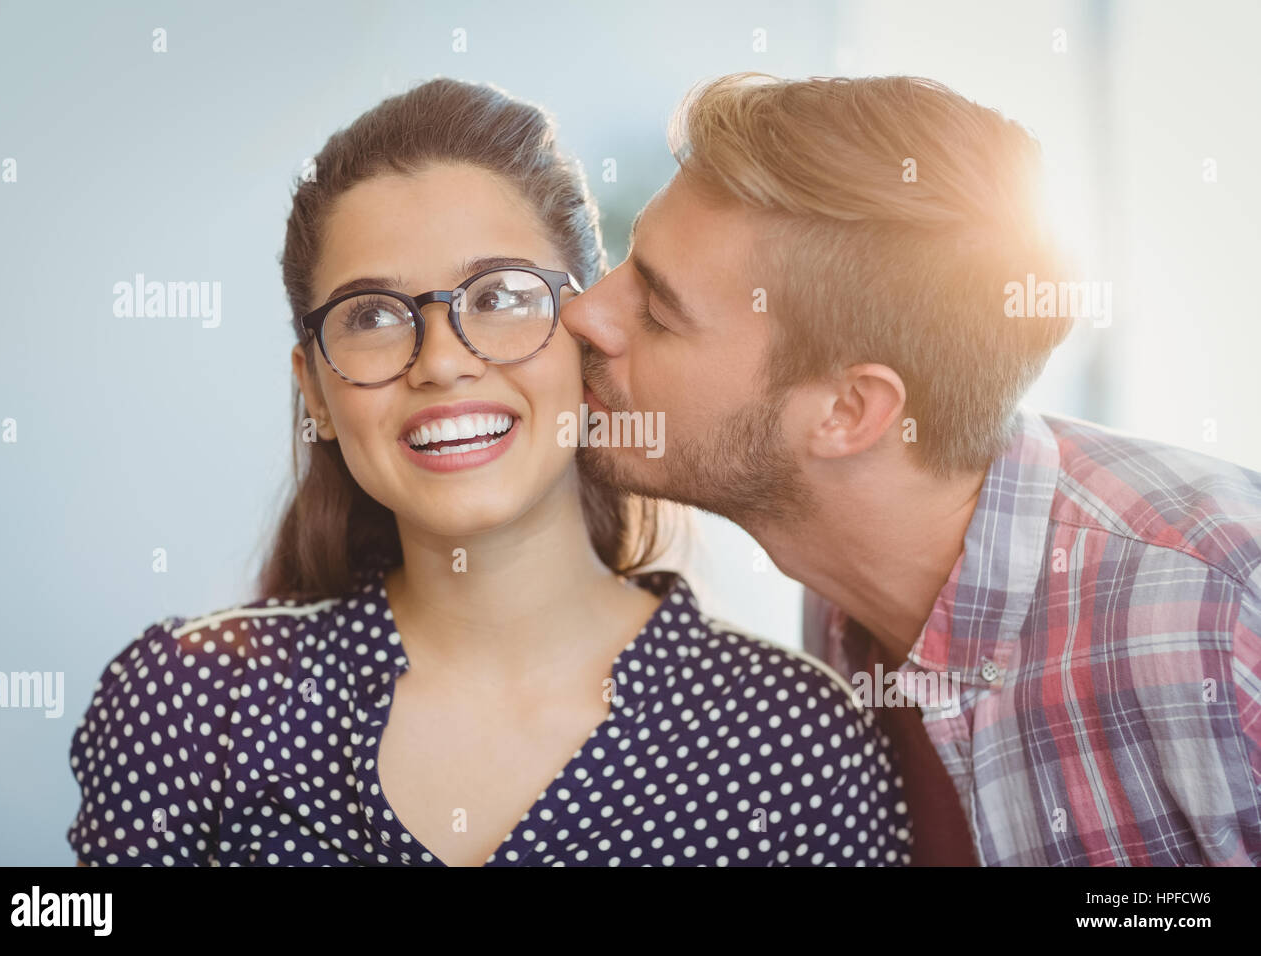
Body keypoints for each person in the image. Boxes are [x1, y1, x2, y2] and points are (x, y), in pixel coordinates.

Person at [65, 77, 912, 867]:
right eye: (370, 316)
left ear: (590, 331)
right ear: (315, 394)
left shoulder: (800, 746)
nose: (440, 363)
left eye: (500, 297)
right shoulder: (186, 707)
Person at [559, 71, 1261, 866]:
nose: (584, 311)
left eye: (657, 311)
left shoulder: (1220, 608)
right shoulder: (840, 593)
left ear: (849, 413)